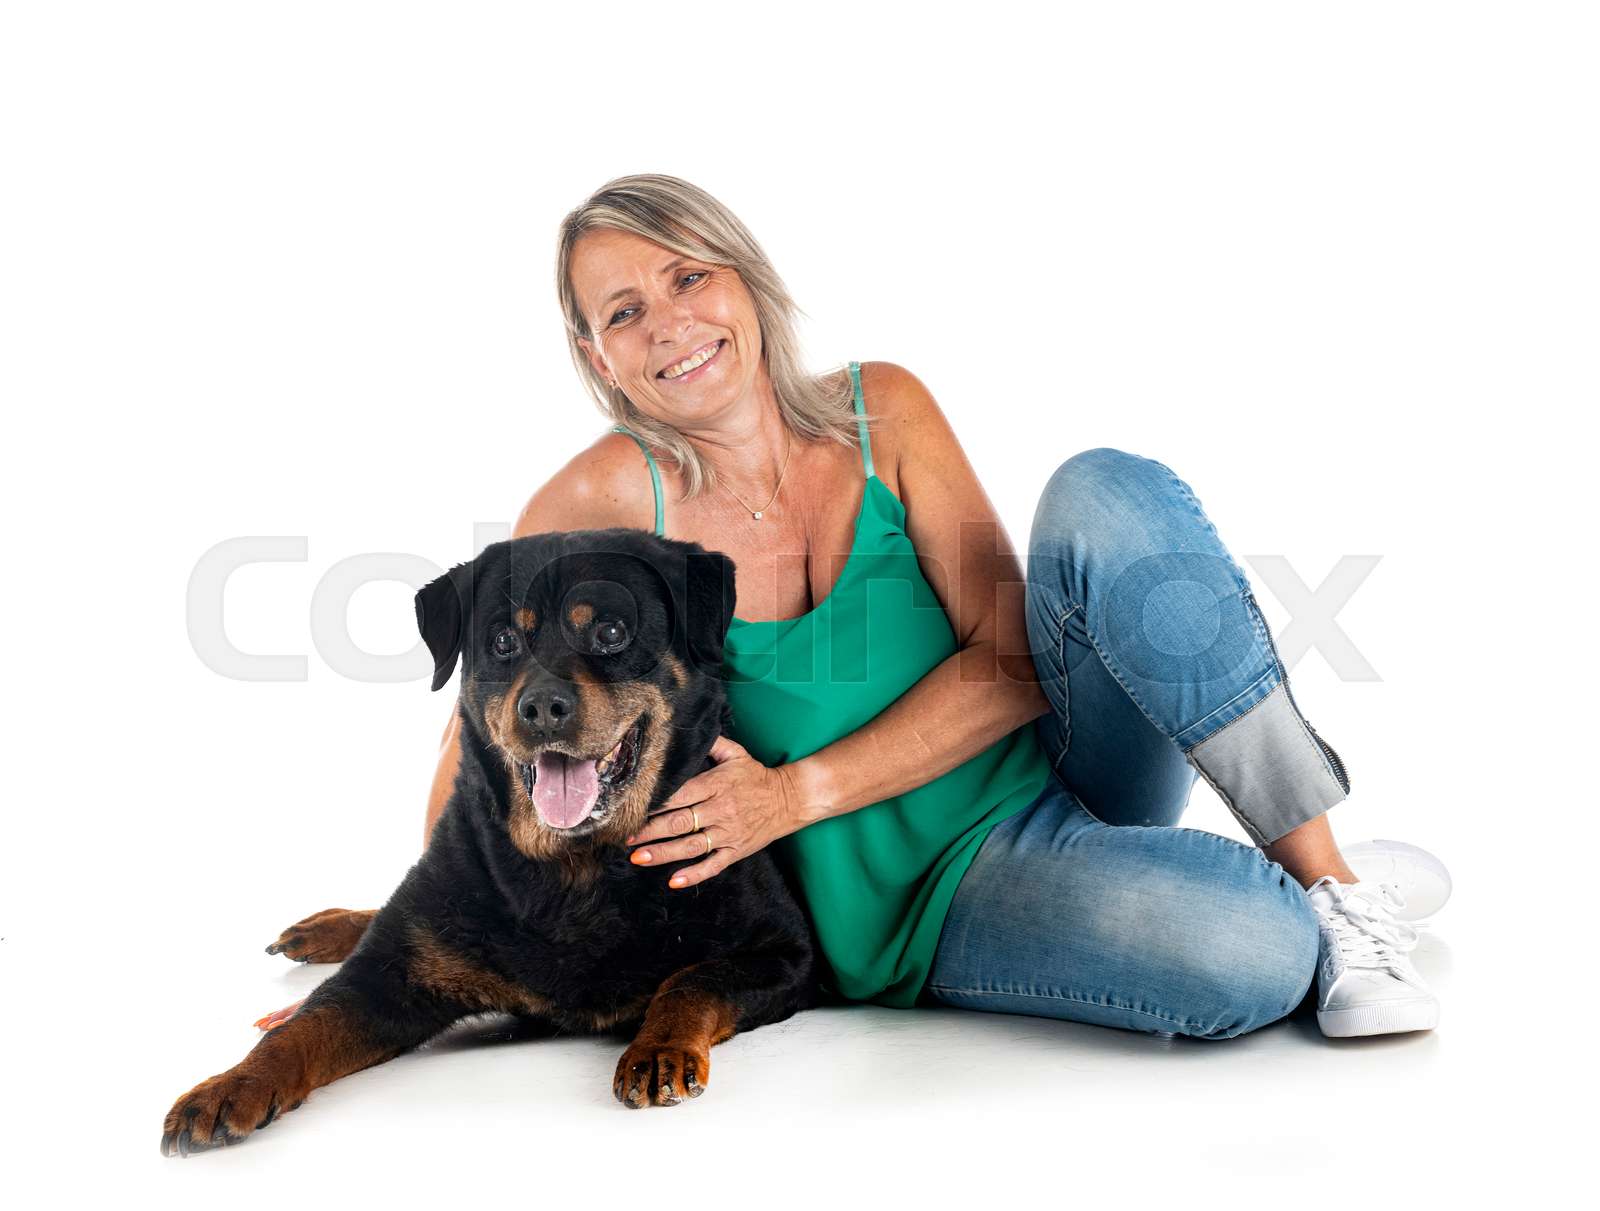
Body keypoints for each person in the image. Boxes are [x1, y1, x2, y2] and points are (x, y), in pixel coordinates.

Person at [264, 174, 1446, 1042]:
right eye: (623, 311)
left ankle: (1335, 884)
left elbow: (1019, 658)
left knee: (1107, 492)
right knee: (1250, 955)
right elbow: (489, 722)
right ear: (595, 353)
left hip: (1061, 763)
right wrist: (408, 946)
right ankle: (1307, 908)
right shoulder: (596, 504)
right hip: (930, 905)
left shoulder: (885, 408)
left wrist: (794, 792)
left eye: (687, 276)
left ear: (744, 280)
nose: (670, 322)